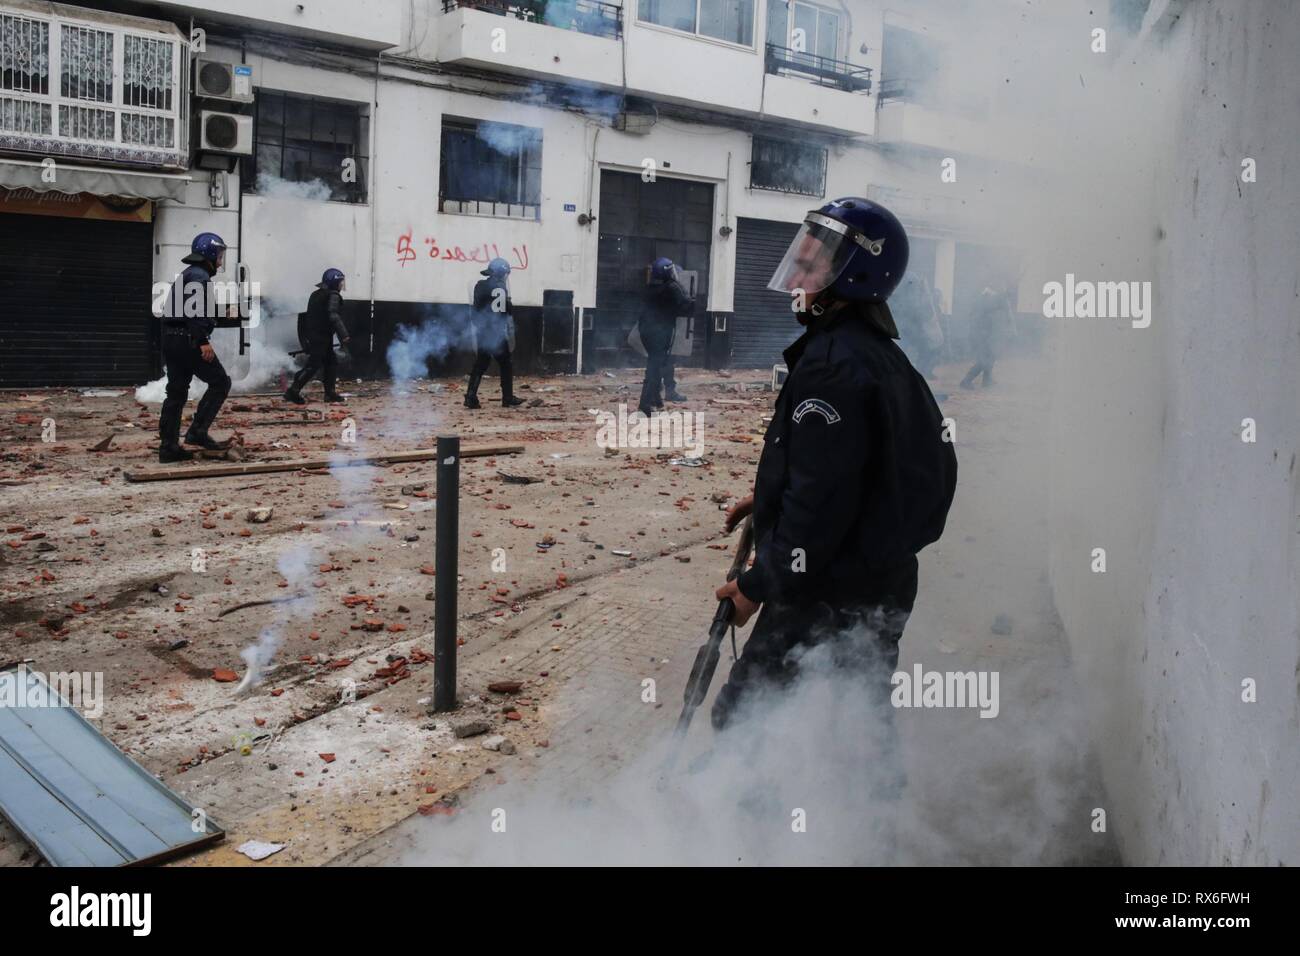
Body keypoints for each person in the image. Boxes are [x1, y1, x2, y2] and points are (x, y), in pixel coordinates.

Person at [711, 198, 958, 792]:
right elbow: (847, 472)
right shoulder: (880, 357)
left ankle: (758, 837)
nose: (797, 274)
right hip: (878, 583)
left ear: (855, 273)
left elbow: (820, 510)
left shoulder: (831, 365)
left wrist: (753, 587)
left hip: (829, 591)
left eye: (814, 262)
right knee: (856, 725)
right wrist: (766, 500)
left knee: (745, 720)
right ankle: (868, 833)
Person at [157, 232, 234, 463]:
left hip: (172, 338)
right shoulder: (199, 277)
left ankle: (168, 447)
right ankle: (197, 432)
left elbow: (189, 309)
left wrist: (220, 314)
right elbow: (194, 312)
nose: (220, 261)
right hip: (188, 340)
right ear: (210, 254)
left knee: (176, 392)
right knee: (221, 382)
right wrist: (202, 341)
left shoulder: (188, 275)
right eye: (219, 255)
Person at [284, 268, 350, 405]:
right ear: (334, 282)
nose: (342, 285)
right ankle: (293, 391)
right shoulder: (333, 296)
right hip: (321, 337)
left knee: (331, 362)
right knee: (313, 365)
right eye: (340, 282)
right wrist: (343, 334)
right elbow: (333, 315)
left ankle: (330, 393)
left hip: (314, 335)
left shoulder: (316, 294)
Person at [637, 257, 693, 416]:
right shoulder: (671, 287)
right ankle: (644, 405)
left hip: (646, 330)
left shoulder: (650, 288)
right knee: (654, 369)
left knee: (658, 363)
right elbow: (686, 305)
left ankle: (656, 399)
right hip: (660, 332)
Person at [465, 258, 523, 409]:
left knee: (480, 364)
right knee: (505, 364)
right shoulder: (503, 288)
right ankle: (507, 397)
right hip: (497, 332)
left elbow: (476, 310)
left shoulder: (480, 286)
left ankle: (471, 396)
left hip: (483, 331)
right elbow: (508, 311)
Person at [960, 284, 1016, 388]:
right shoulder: (986, 305)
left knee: (990, 358)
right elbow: (984, 322)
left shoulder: (991, 304)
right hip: (983, 336)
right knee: (984, 360)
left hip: (988, 336)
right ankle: (966, 381)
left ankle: (987, 381)